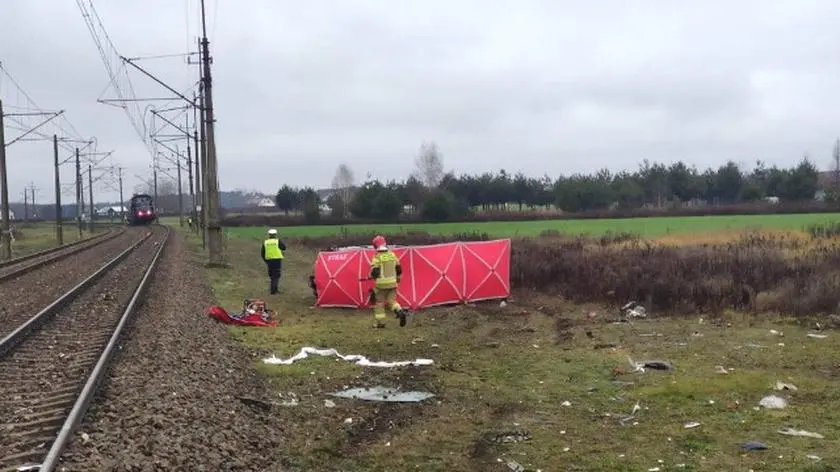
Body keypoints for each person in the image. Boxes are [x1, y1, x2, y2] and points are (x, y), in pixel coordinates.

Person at [369, 235, 409, 328]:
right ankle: (399, 311)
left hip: (381, 285)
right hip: (393, 283)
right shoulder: (392, 255)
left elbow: (375, 272)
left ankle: (381, 323)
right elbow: (399, 269)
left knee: (379, 303)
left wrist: (372, 276)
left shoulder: (377, 257)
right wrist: (397, 279)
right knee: (392, 301)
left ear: (375, 246)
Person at [261, 228, 286, 295]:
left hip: (269, 261)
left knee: (272, 275)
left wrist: (266, 261)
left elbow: (262, 253)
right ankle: (273, 291)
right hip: (277, 261)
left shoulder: (265, 242)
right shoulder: (277, 241)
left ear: (269, 235)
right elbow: (284, 247)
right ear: (275, 235)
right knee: (276, 275)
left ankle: (274, 289)